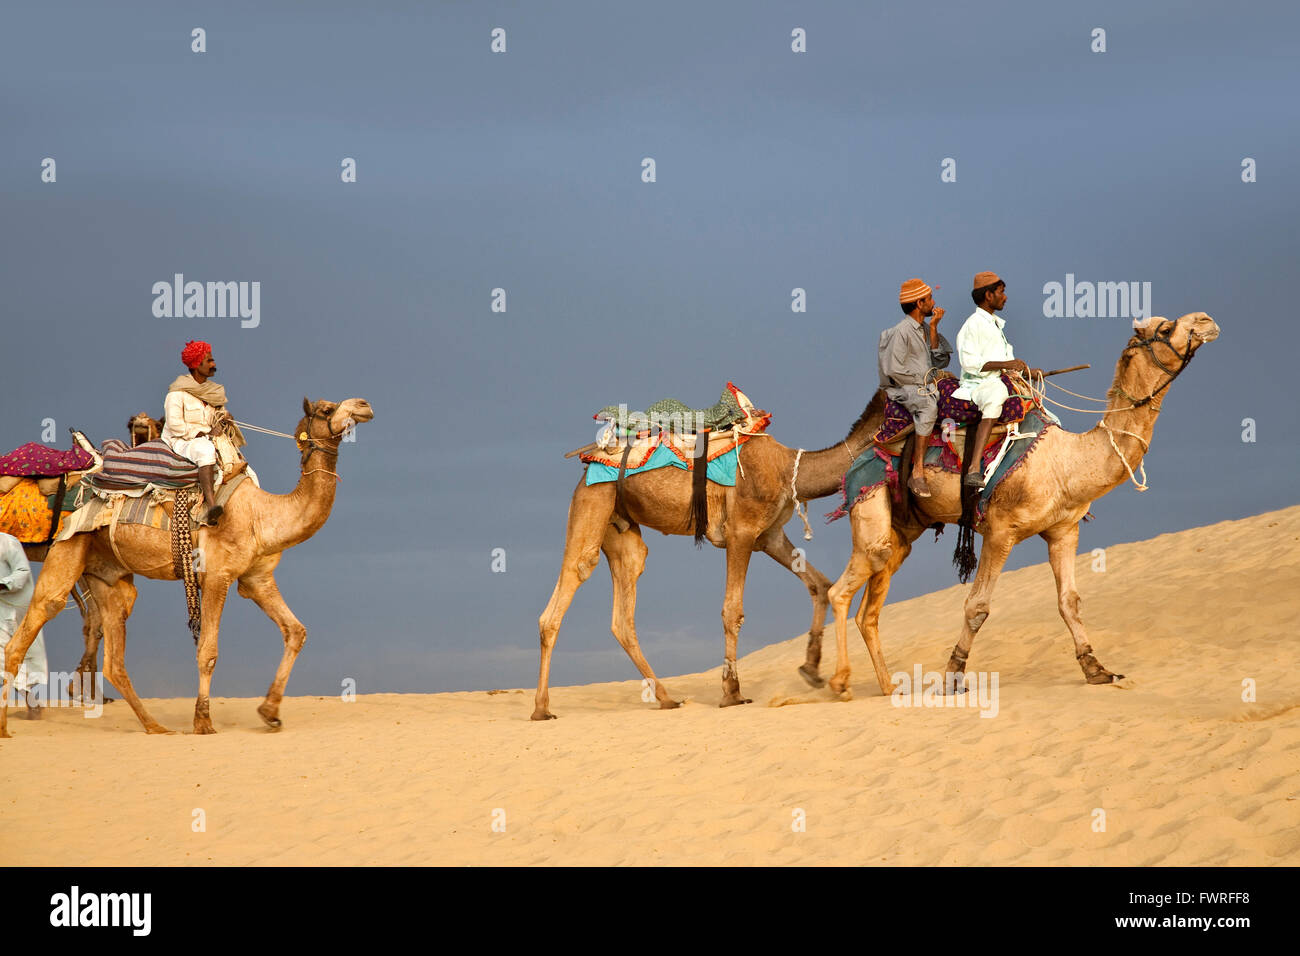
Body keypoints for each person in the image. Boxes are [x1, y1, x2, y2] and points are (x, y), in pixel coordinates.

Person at [952, 271, 1042, 488]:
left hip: (1000, 379)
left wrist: (1028, 372)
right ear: (989, 296)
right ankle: (974, 469)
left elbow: (1008, 362)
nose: (1005, 297)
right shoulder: (973, 324)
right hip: (979, 384)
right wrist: (1007, 366)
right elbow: (970, 363)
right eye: (1002, 292)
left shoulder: (995, 326)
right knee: (996, 397)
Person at [877, 277, 953, 498]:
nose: (933, 302)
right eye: (929, 299)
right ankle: (917, 472)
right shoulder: (901, 332)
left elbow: (940, 362)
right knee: (929, 406)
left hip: (923, 383)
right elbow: (892, 369)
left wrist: (933, 329)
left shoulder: (923, 329)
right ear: (919, 304)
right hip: (905, 388)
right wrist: (926, 379)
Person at [161, 341, 247, 525]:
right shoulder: (177, 394)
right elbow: (175, 425)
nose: (213, 365)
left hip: (209, 437)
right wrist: (204, 433)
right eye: (209, 361)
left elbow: (216, 416)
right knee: (205, 450)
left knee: (239, 460)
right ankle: (211, 504)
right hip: (181, 440)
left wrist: (224, 417)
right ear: (196, 365)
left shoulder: (213, 393)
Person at [0, 531, 48, 720]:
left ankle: (31, 702)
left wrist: (3, 585)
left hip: (15, 607)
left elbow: (22, 571)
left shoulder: (7, 542)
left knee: (13, 656)